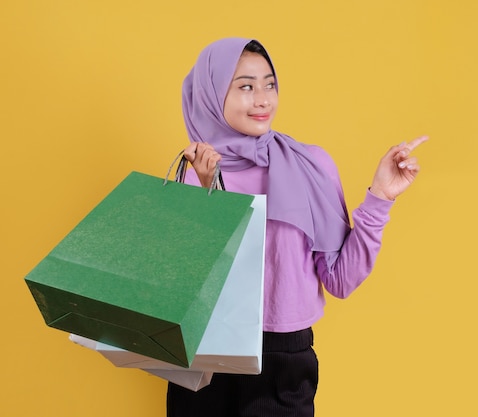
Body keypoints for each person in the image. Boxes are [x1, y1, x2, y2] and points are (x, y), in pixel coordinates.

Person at [167, 37, 428, 417]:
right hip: (204, 351)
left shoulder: (310, 165)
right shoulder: (192, 177)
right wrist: (212, 198)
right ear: (210, 95)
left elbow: (340, 279)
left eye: (269, 84)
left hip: (283, 357)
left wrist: (380, 198)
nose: (263, 99)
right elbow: (184, 288)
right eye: (245, 86)